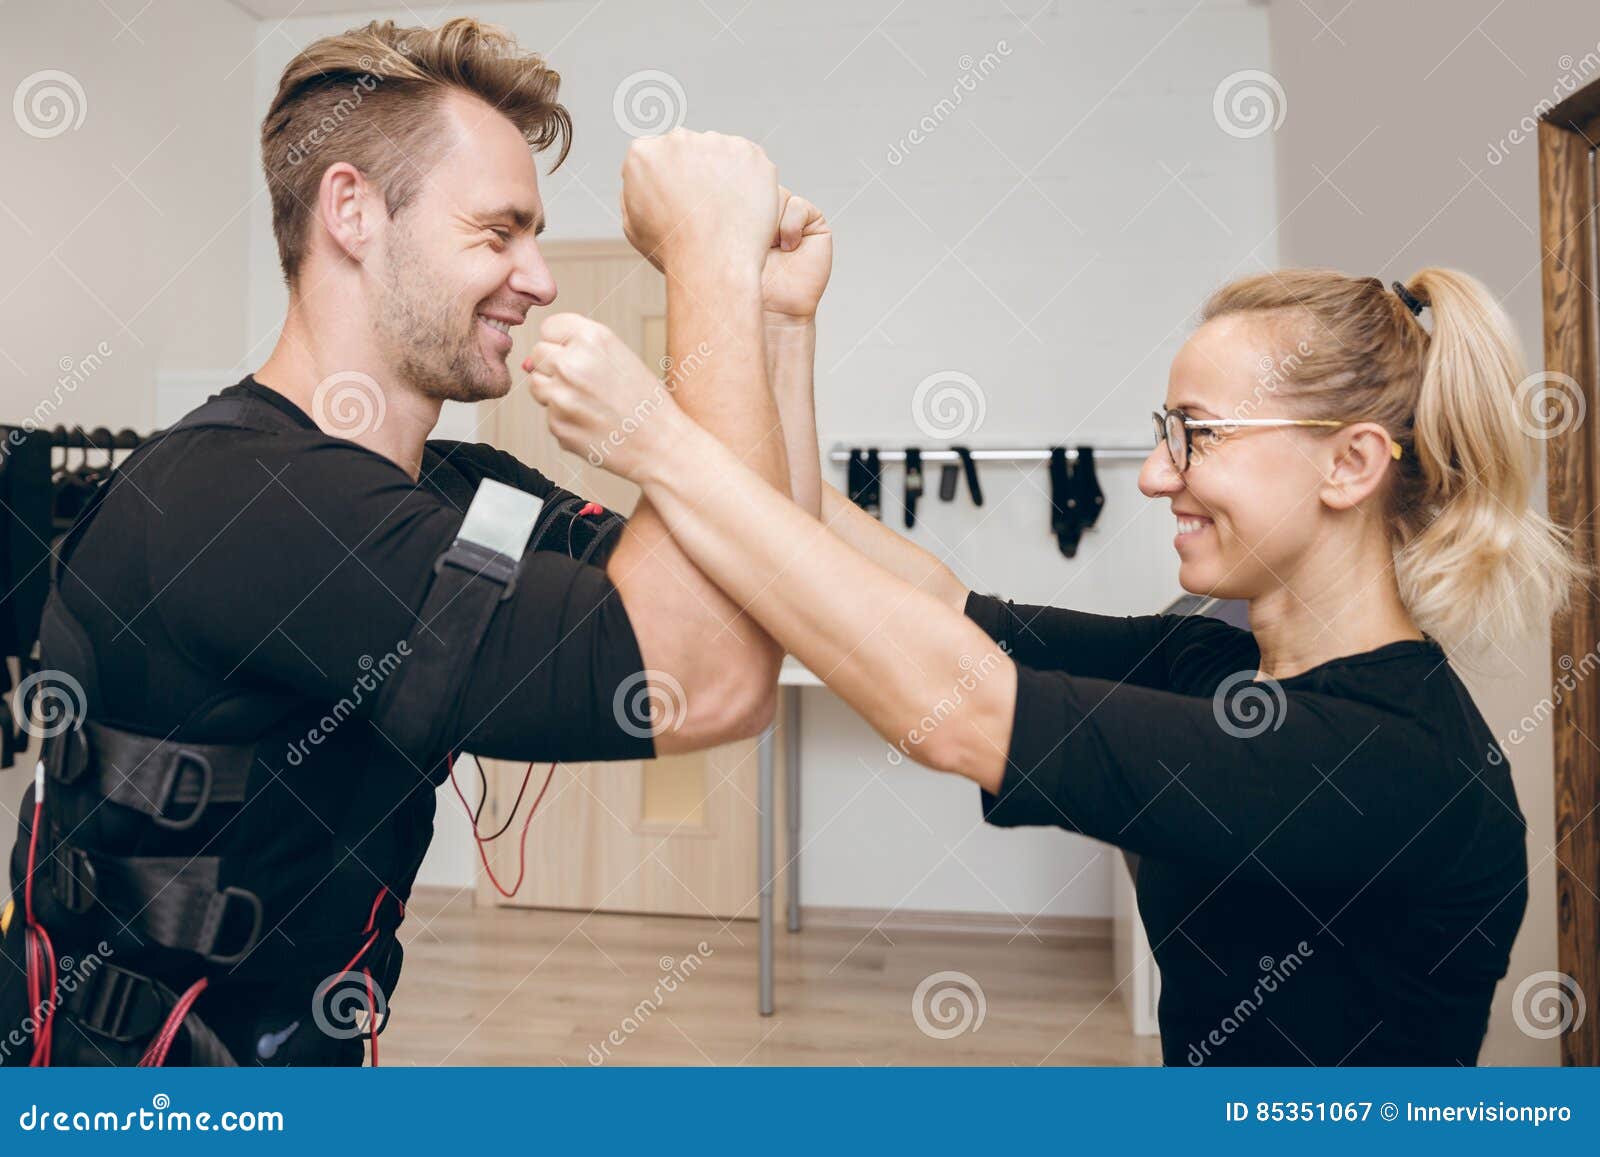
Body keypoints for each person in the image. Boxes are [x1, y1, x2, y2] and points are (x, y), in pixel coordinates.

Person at [0, 19, 815, 1067]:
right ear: (351, 210)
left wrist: (778, 326)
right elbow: (705, 672)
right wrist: (704, 252)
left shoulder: (447, 490)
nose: (540, 276)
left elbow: (770, 573)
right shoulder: (240, 504)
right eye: (498, 231)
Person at [527, 262, 1581, 1065]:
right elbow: (940, 606)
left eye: (1197, 435)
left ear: (1349, 463)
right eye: (1164, 433)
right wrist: (784, 329)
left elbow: (961, 711)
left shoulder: (1389, 761)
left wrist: (661, 443)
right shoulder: (1211, 659)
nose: (1158, 476)